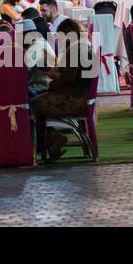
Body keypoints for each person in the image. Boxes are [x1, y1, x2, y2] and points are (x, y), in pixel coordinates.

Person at [31, 18, 96, 162]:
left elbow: (67, 78)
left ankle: (51, 141)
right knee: (37, 99)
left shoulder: (76, 49)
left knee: (33, 105)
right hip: (81, 95)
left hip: (75, 99)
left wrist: (51, 74)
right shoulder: (83, 45)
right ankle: (53, 141)